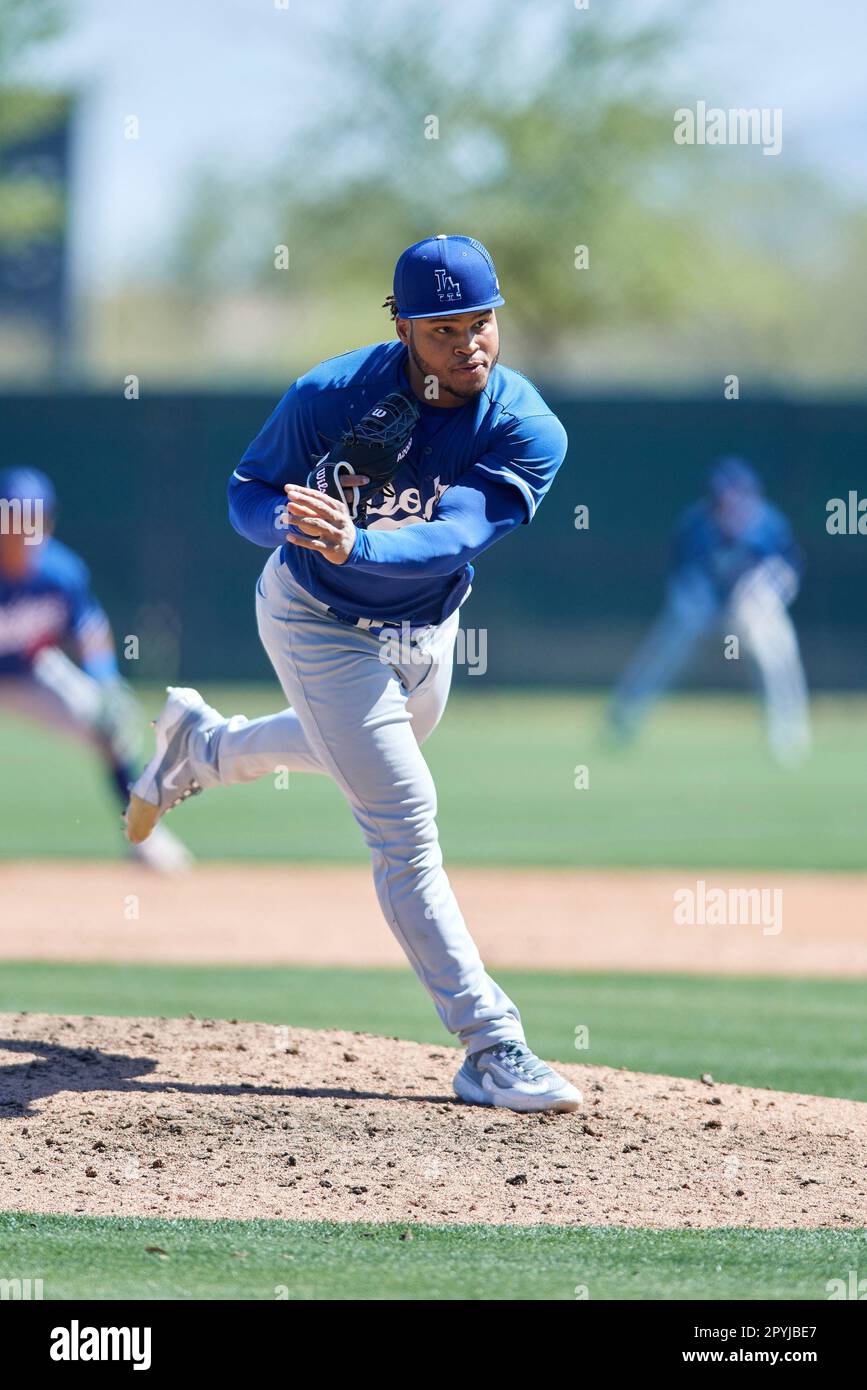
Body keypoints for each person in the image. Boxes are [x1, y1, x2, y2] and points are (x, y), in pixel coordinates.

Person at [125, 233, 582, 1112]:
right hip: (314, 617)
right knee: (402, 814)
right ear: (403, 326)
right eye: (444, 329)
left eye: (482, 322)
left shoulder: (524, 424)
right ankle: (490, 1045)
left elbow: (461, 532)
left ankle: (202, 748)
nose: (469, 344)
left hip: (425, 625)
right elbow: (245, 493)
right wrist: (288, 523)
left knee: (377, 747)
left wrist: (360, 537)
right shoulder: (331, 394)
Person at [0, 466, 190, 872]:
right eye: (12, 519)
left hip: (32, 673)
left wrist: (104, 679)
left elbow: (90, 629)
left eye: (32, 519)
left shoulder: (60, 573)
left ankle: (143, 835)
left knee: (112, 727)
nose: (21, 531)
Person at [608, 457, 810, 766]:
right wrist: (696, 605)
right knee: (666, 649)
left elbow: (789, 571)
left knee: (777, 650)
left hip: (753, 610)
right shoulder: (695, 526)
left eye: (737, 496)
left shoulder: (769, 524)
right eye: (722, 498)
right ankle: (625, 716)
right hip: (703, 609)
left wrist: (761, 598)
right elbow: (681, 577)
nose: (729, 505)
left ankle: (787, 732)